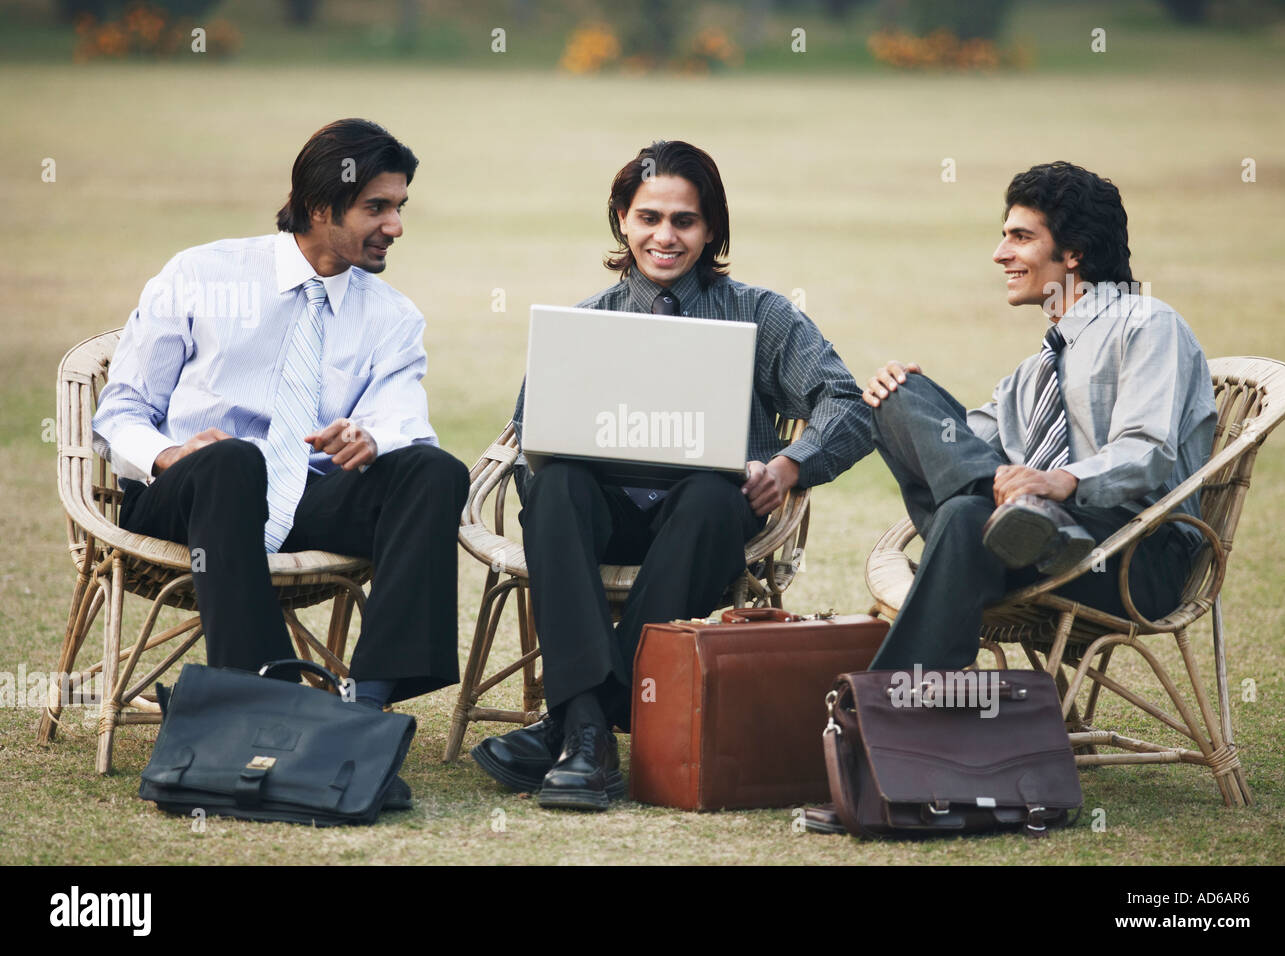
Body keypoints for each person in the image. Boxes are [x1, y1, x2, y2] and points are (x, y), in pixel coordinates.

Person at [472, 140, 874, 810]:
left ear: (711, 227)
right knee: (558, 484)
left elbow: (849, 405)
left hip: (702, 525)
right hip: (600, 521)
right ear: (622, 221)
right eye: (648, 217)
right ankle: (595, 723)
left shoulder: (760, 313)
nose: (665, 236)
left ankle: (580, 728)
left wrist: (790, 462)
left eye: (683, 221)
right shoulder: (585, 322)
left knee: (713, 494)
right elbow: (530, 441)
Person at [92, 118, 469, 722]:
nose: (395, 227)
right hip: (191, 499)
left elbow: (406, 421)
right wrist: (168, 455)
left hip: (307, 501)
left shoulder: (393, 317)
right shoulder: (201, 275)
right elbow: (121, 412)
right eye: (377, 208)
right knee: (233, 460)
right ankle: (263, 694)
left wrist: (371, 436)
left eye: (399, 207)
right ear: (320, 207)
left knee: (433, 470)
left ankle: (366, 700)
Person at [861, 160, 1215, 672]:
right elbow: (963, 447)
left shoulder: (1146, 324)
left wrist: (1058, 483)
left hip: (1132, 555)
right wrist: (898, 401)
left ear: (1073, 252)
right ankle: (1026, 525)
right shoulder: (1032, 373)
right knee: (901, 396)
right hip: (1032, 548)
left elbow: (1147, 452)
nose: (1000, 253)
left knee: (963, 517)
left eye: (1020, 237)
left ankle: (890, 711)